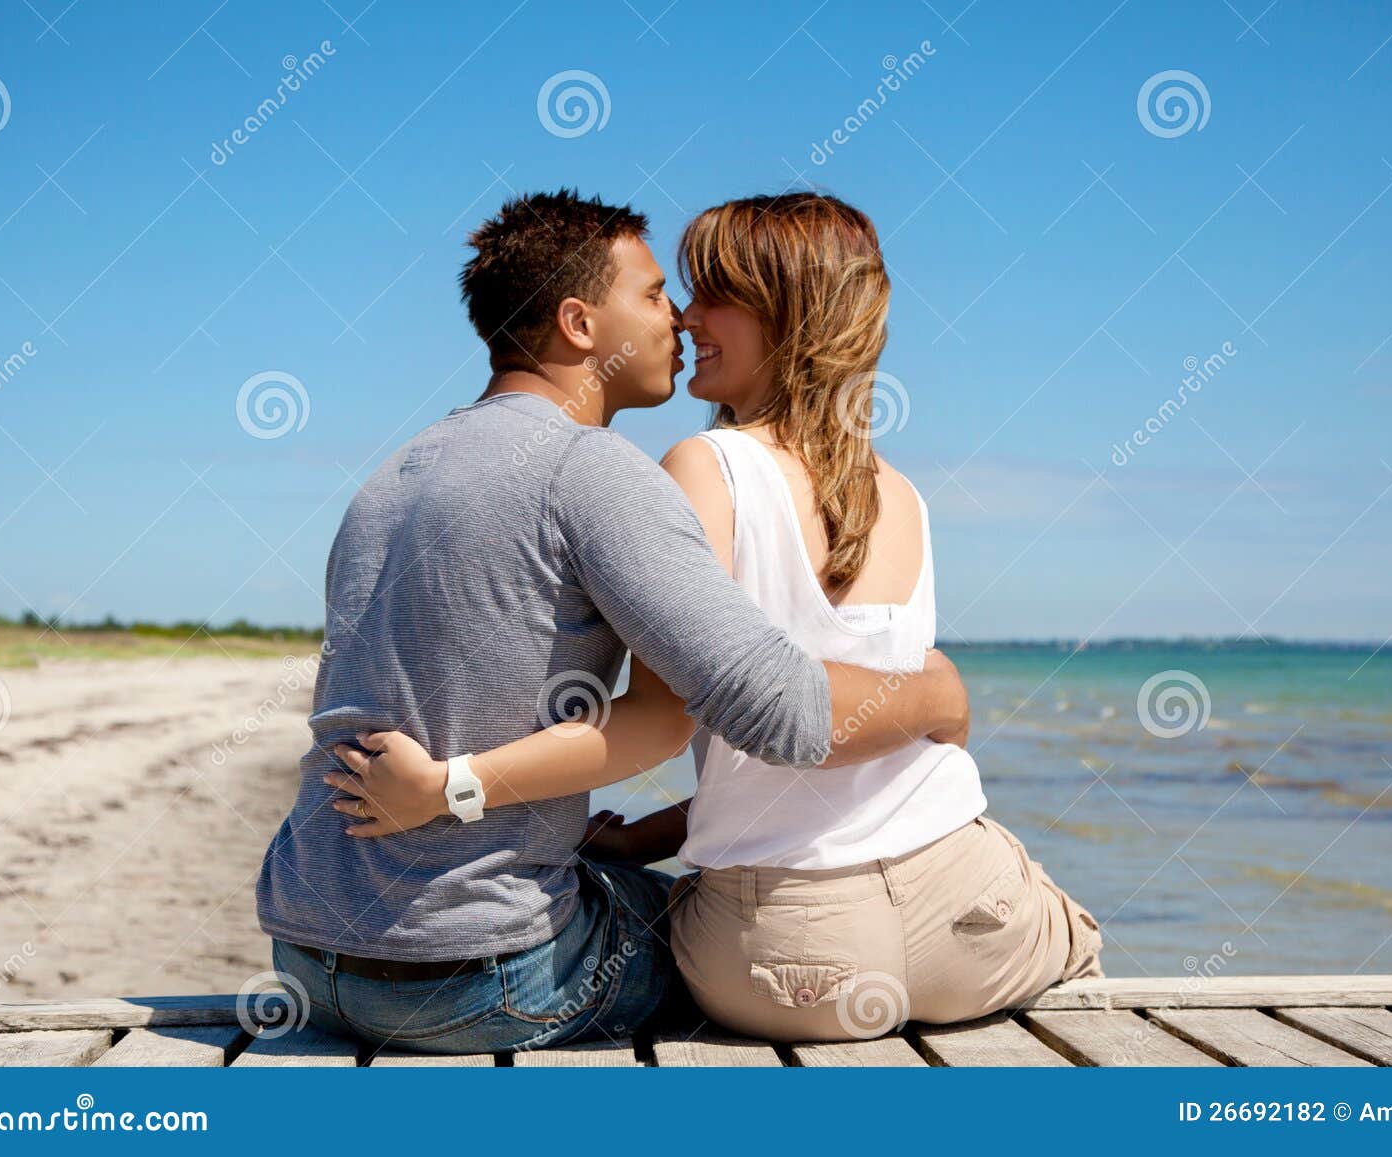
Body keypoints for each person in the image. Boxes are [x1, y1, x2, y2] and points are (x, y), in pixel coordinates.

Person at [346, 192, 1103, 1044]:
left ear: (789, 316)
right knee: (1078, 939)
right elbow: (840, 763)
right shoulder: (903, 495)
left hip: (793, 955)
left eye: (716, 295)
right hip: (973, 911)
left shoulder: (702, 466)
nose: (686, 315)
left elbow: (703, 722)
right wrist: (939, 695)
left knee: (655, 918)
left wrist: (465, 788)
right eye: (675, 292)